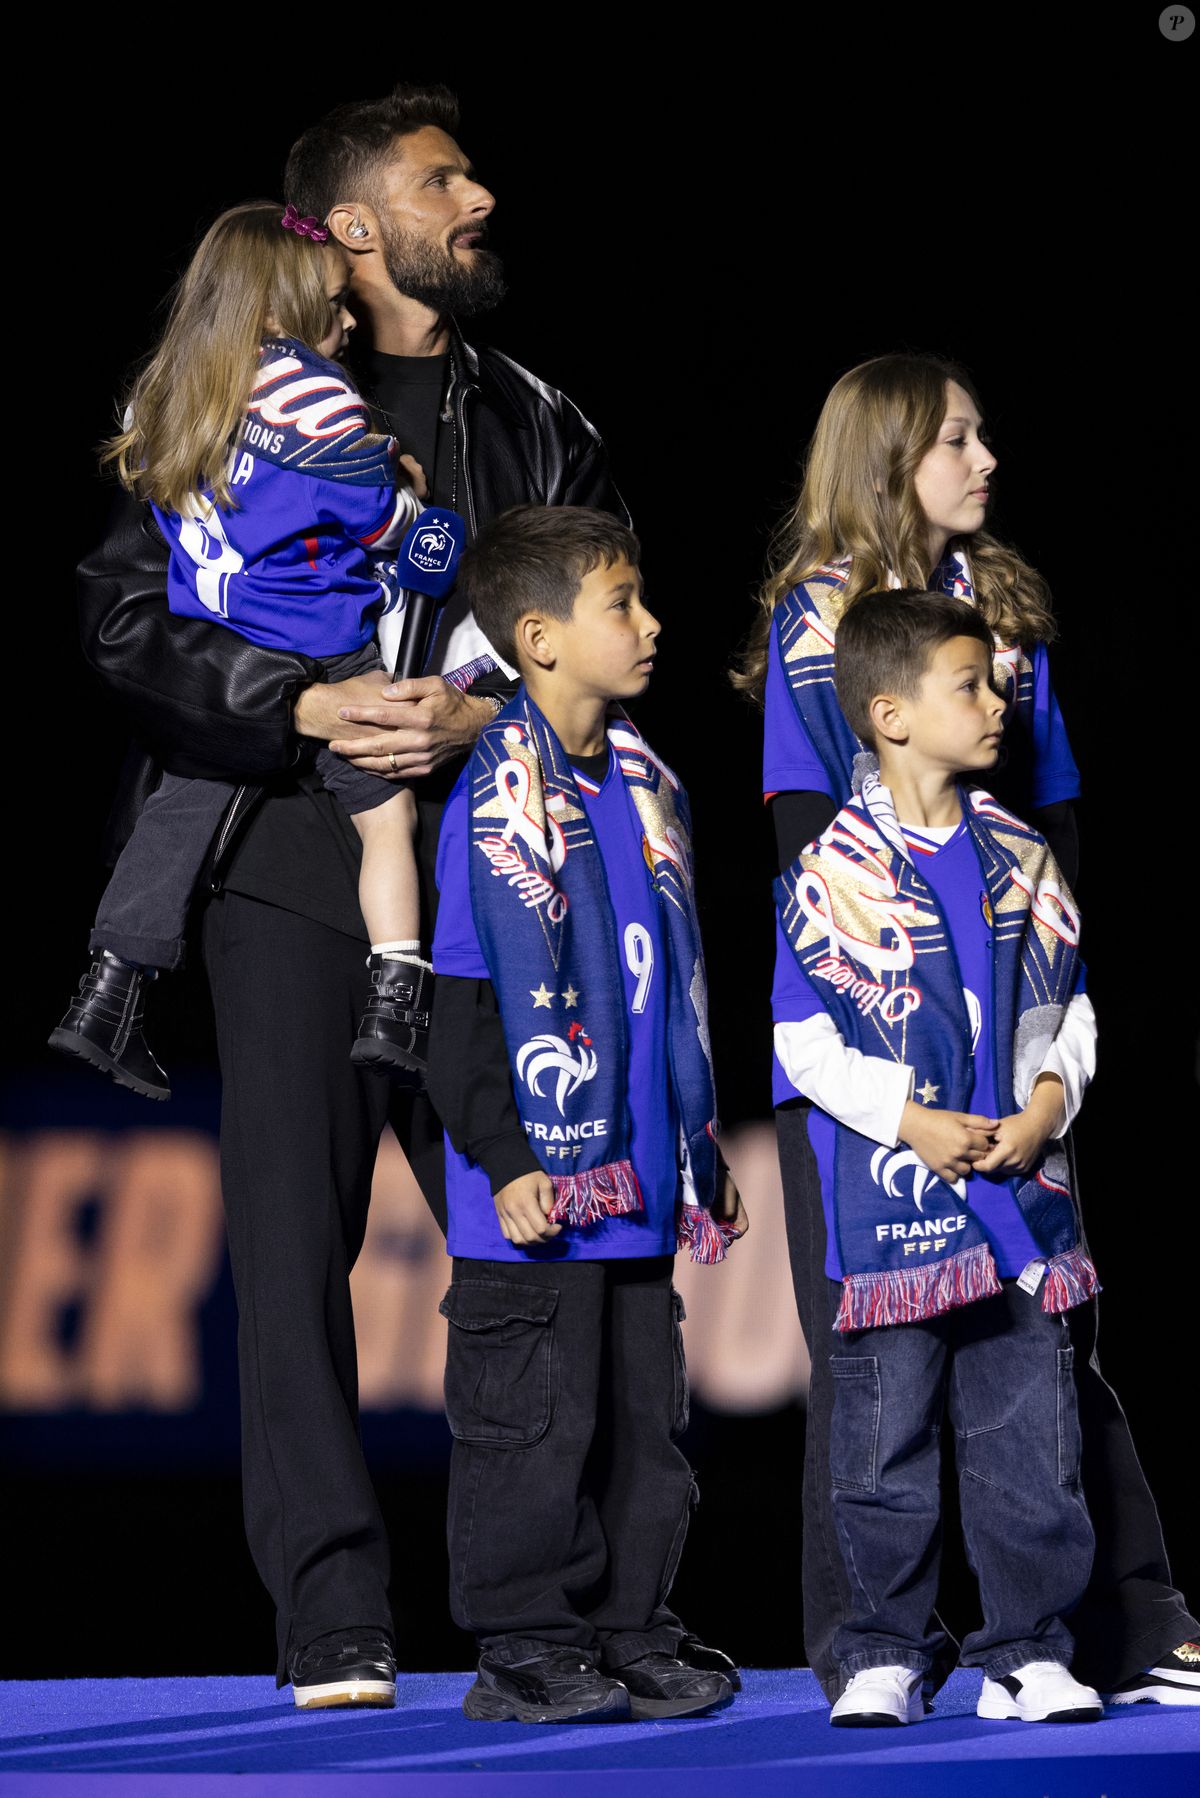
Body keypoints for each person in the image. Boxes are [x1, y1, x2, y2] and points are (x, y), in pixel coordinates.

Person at [73, 83, 731, 1709]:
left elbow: (602, 629)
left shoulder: (544, 419)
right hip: (288, 874)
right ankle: (332, 1617)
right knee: (293, 1255)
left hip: (506, 900)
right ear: (357, 228)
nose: (483, 195)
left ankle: (568, 1618)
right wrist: (290, 704)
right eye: (448, 179)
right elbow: (122, 619)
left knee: (554, 1248)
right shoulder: (245, 384)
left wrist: (488, 700)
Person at [736, 352, 1198, 1706]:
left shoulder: (999, 614)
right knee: (871, 1355)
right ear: (888, 460)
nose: (986, 458)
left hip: (1015, 1026)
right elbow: (804, 844)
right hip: (878, 1038)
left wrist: (1048, 1039)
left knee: (1048, 1334)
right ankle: (869, 1645)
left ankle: (1092, 1626)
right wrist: (889, 1070)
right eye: (956, 438)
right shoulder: (823, 623)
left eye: (983, 433)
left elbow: (1048, 828)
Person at [425, 506, 746, 1724]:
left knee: (639, 1430)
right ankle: (522, 1642)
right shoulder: (492, 800)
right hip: (536, 1197)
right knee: (529, 1430)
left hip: (642, 1185)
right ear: (539, 638)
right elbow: (456, 1016)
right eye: (624, 602)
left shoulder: (652, 785)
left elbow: (671, 985)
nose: (651, 622)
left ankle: (629, 1627)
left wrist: (695, 1145)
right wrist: (504, 1154)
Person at [775, 588, 1105, 1724]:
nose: (996, 699)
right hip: (894, 1209)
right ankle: (882, 1651)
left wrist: (1052, 1098)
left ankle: (1030, 1648)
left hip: (1021, 1201)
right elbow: (799, 1042)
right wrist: (908, 1120)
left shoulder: (1021, 853)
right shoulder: (832, 869)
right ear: (891, 713)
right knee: (881, 1435)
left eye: (995, 679)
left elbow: (1073, 1011)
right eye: (968, 684)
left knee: (1030, 1433)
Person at [53, 201, 462, 1101]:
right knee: (385, 815)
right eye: (331, 301)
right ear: (275, 311)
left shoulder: (176, 391)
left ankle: (109, 993)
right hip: (323, 643)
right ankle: (399, 994)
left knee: (178, 813)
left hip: (226, 643)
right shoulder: (312, 393)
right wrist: (413, 507)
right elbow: (375, 519)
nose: (348, 322)